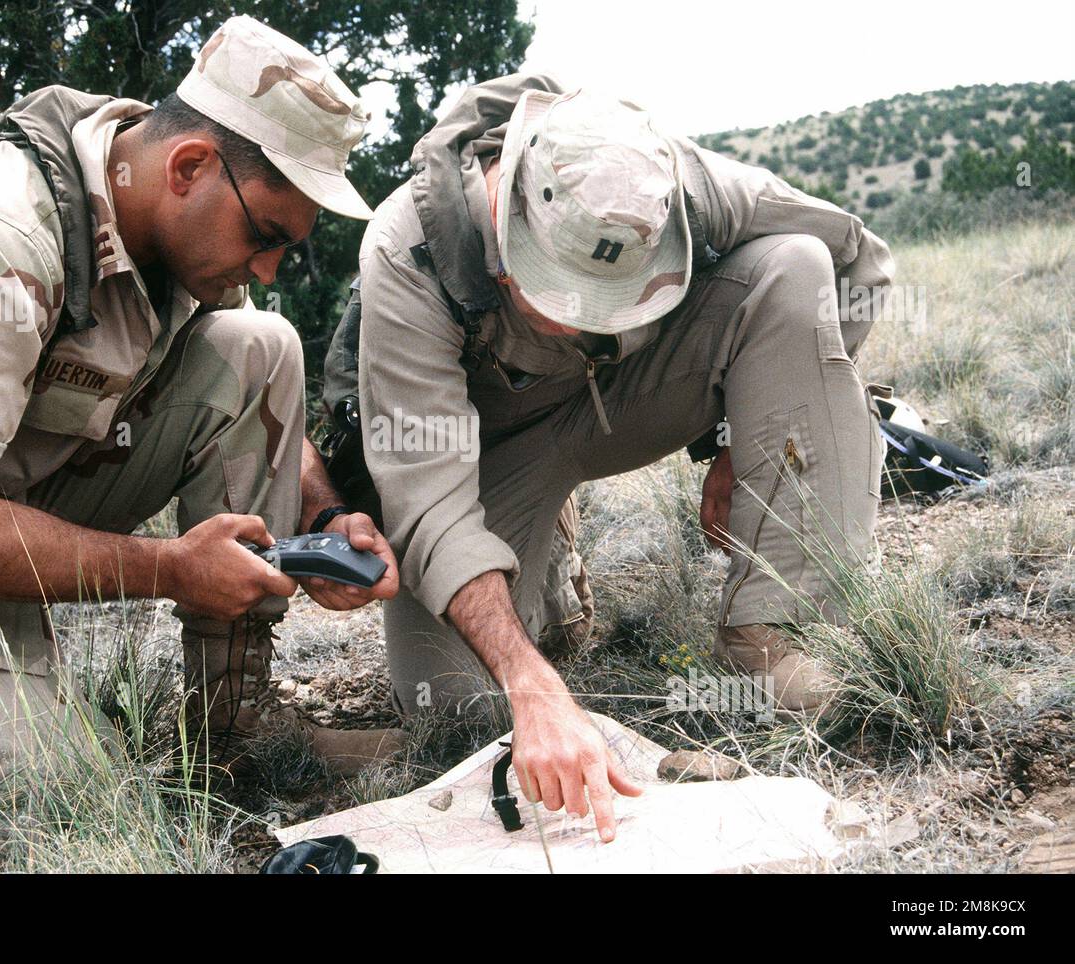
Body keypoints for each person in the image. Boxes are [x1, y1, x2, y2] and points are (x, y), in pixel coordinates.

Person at [0, 15, 402, 803]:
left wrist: (320, 520)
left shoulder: (178, 230)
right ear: (190, 167)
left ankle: (232, 729)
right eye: (267, 235)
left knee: (261, 343)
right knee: (70, 813)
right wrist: (169, 571)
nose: (271, 268)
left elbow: (241, 392)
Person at [344, 76, 895, 842]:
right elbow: (429, 500)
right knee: (462, 709)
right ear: (508, 225)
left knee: (794, 263)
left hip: (630, 398)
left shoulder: (687, 190)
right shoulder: (408, 251)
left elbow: (859, 266)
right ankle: (545, 588)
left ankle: (778, 631)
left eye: (611, 295)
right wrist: (529, 684)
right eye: (558, 292)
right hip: (485, 456)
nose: (580, 322)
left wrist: (743, 439)